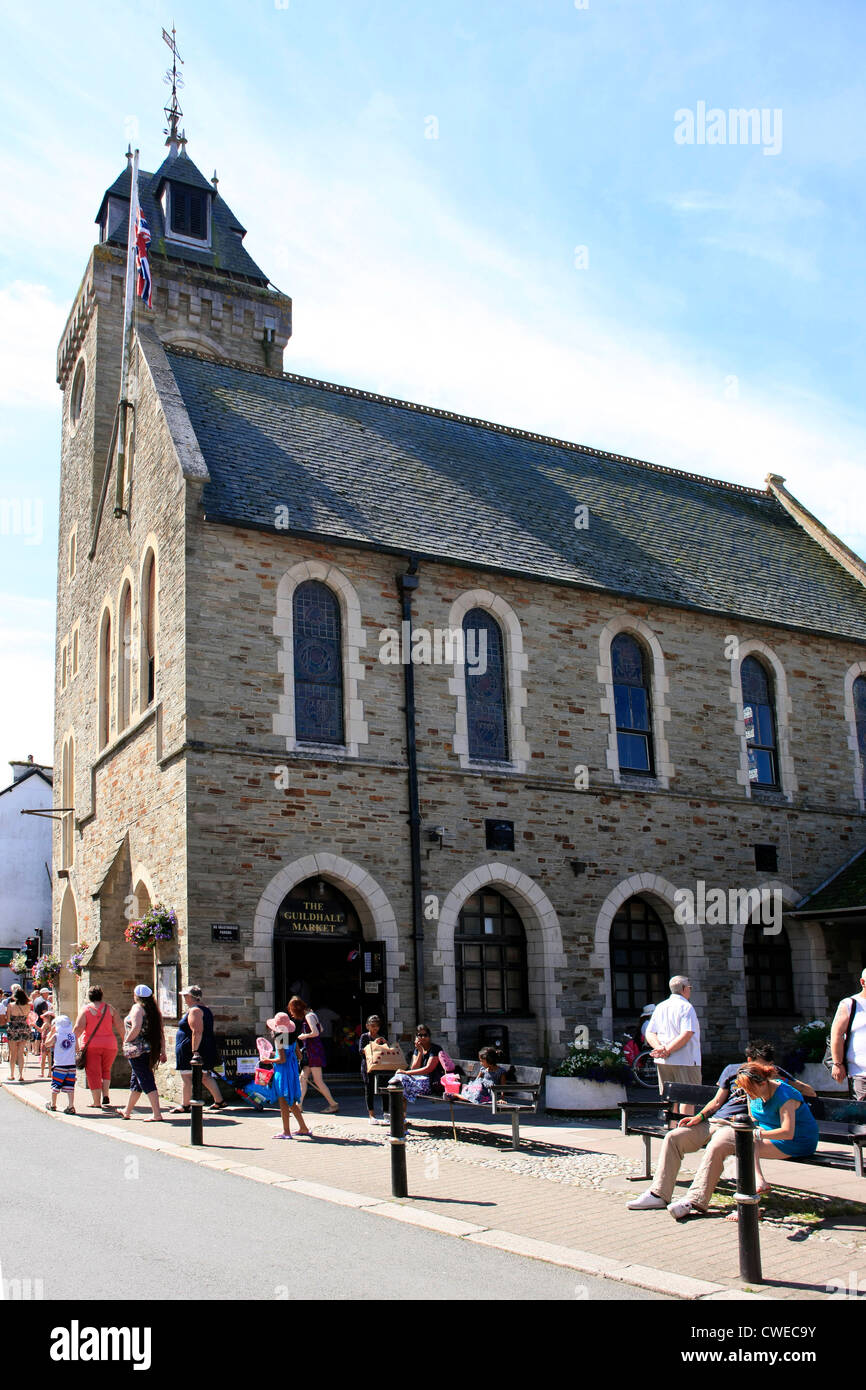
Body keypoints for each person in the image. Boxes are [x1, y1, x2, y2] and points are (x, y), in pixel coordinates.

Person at [627, 1040, 815, 1215]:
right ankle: (658, 1194)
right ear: (749, 1060)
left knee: (720, 1143)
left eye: (768, 1063)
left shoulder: (776, 1080)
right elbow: (717, 1101)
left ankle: (694, 1200)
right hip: (717, 1121)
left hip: (738, 1127)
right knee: (674, 1137)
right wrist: (699, 1116)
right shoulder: (734, 1072)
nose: (765, 1066)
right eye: (760, 1062)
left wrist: (783, 1080)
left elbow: (804, 1094)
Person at [645, 976, 701, 1116]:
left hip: (664, 1060)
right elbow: (687, 1033)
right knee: (687, 1097)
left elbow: (650, 1032)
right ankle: (684, 1129)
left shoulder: (660, 1006)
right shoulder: (686, 1007)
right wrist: (667, 1050)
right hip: (685, 1059)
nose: (690, 990)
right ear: (683, 989)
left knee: (668, 1096)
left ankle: (670, 1125)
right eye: (690, 987)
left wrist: (659, 1048)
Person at [170, 985, 226, 1113]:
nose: (184, 998)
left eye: (185, 995)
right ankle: (219, 1101)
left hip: (193, 1049)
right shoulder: (204, 1009)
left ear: (191, 997)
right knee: (205, 1076)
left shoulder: (195, 1011)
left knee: (187, 1077)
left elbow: (197, 1032)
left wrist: (194, 1051)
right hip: (202, 1047)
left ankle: (185, 1105)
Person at [119, 985, 167, 1122]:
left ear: (136, 996)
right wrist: (163, 1051)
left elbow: (136, 1027)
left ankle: (157, 1114)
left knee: (146, 1080)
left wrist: (126, 1041)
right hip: (148, 1049)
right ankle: (127, 1111)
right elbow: (160, 1033)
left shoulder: (137, 1008)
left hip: (136, 1050)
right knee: (137, 1081)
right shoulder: (154, 1011)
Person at [73, 986, 124, 1108]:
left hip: (92, 1046)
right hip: (110, 1045)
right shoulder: (110, 1009)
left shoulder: (85, 1010)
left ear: (89, 996)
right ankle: (105, 1095)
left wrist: (76, 1047)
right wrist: (125, 1041)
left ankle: (96, 1102)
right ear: (101, 995)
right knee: (106, 1069)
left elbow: (77, 1030)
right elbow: (121, 1027)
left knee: (93, 1073)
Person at [267, 1011, 313, 1140]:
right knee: (291, 1101)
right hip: (292, 1071)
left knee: (283, 1103)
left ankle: (286, 1132)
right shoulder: (292, 1039)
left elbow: (281, 1060)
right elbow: (298, 1055)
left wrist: (268, 1060)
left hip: (282, 1072)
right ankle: (303, 1128)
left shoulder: (279, 1038)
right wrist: (276, 1054)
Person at [288, 997, 339, 1113]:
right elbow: (321, 1029)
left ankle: (333, 1104)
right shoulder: (312, 1014)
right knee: (303, 1078)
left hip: (313, 1051)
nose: (292, 1014)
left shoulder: (309, 1016)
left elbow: (315, 1032)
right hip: (312, 1050)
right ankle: (298, 1105)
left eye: (292, 1010)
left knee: (317, 1080)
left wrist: (304, 1036)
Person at [829, 969, 866, 1099]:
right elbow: (836, 1034)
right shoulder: (851, 1004)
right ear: (863, 982)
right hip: (861, 1073)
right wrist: (837, 1064)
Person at [390, 1025, 444, 1112]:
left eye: (425, 1035)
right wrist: (419, 1052)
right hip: (418, 1080)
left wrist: (406, 1073)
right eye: (420, 1035)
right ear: (416, 1037)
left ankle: (401, 1117)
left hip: (431, 1082)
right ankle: (401, 1118)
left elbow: (428, 1069)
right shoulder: (417, 1049)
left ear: (429, 1036)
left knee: (402, 1088)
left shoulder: (435, 1049)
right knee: (399, 1082)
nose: (423, 1038)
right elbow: (414, 1068)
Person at [358, 1014, 391, 1124]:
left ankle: (386, 1113)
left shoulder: (381, 1037)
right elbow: (361, 1051)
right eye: (372, 1026)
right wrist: (373, 1045)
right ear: (368, 1026)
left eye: (377, 1026)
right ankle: (371, 1115)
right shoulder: (364, 1037)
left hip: (381, 1066)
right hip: (368, 1067)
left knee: (384, 1089)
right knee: (369, 1090)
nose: (375, 1028)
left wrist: (385, 1043)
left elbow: (387, 1051)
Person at [43, 1014, 77, 1114]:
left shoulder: (56, 1036)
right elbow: (77, 1048)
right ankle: (71, 1106)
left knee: (56, 1085)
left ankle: (53, 1104)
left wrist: (51, 1032)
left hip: (60, 1064)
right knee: (70, 1086)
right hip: (71, 1064)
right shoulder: (72, 1036)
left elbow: (47, 1044)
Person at [5, 987, 31, 1082]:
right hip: (24, 1028)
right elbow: (28, 1017)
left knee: (13, 1053)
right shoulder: (28, 1006)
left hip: (13, 1029)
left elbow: (8, 1019)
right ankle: (20, 1075)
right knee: (20, 1053)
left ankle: (11, 1074)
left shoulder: (11, 1005)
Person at [38, 1005, 56, 1077]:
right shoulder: (53, 1024)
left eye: (45, 1017)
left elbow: (40, 1030)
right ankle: (49, 1073)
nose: (43, 1019)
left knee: (43, 1058)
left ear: (47, 1017)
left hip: (45, 1042)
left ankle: (42, 1072)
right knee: (50, 1059)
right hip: (51, 1043)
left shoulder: (45, 1024)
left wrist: (34, 1025)